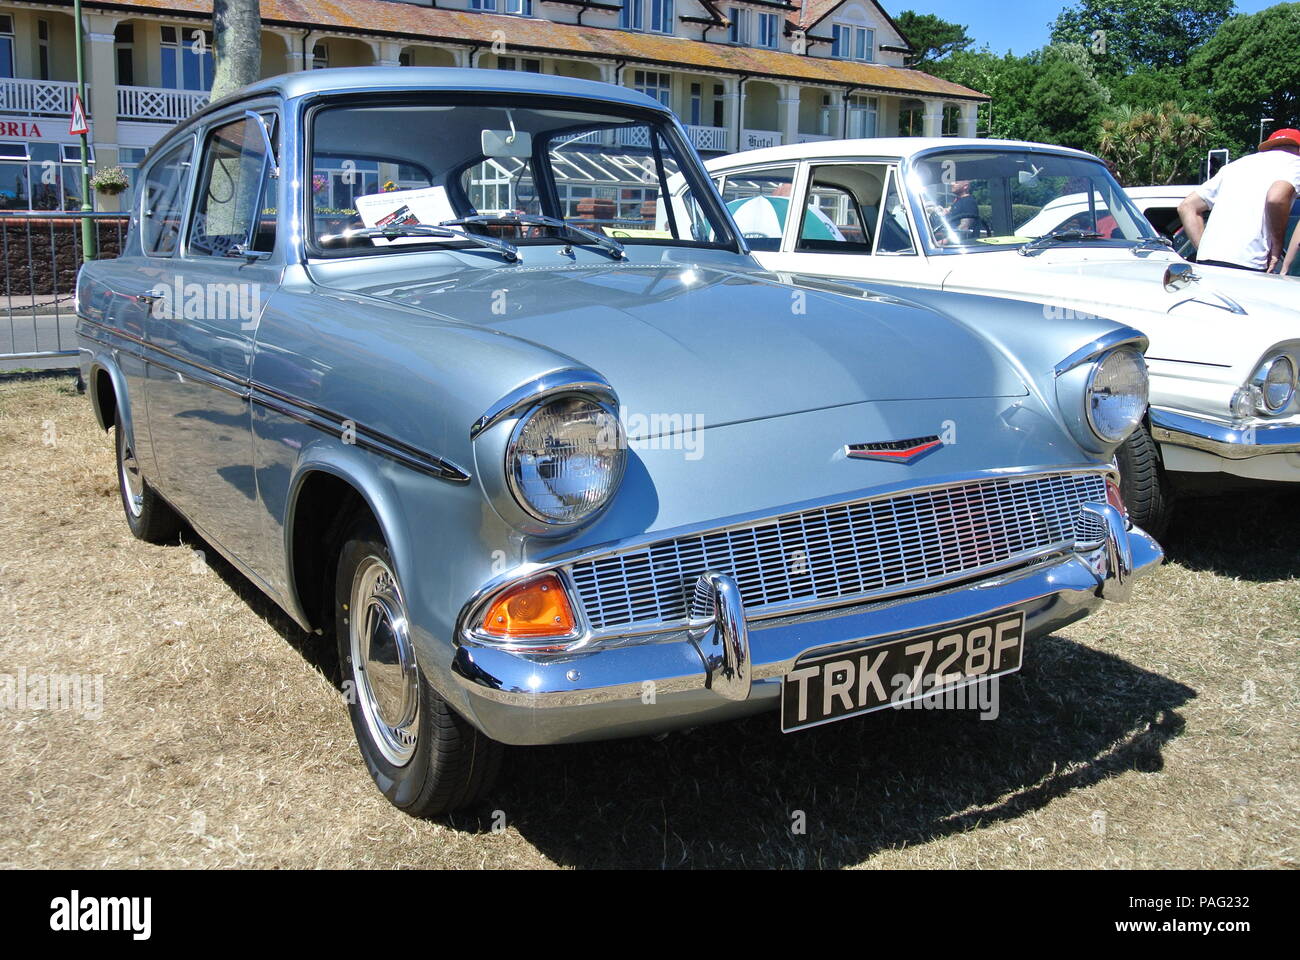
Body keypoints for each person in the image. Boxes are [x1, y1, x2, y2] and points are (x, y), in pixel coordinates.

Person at [1178, 128, 1300, 273]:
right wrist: (1277, 245)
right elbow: (1276, 198)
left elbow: (1187, 206)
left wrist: (1204, 249)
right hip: (1249, 263)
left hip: (1206, 261)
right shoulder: (1295, 163)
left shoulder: (1235, 165)